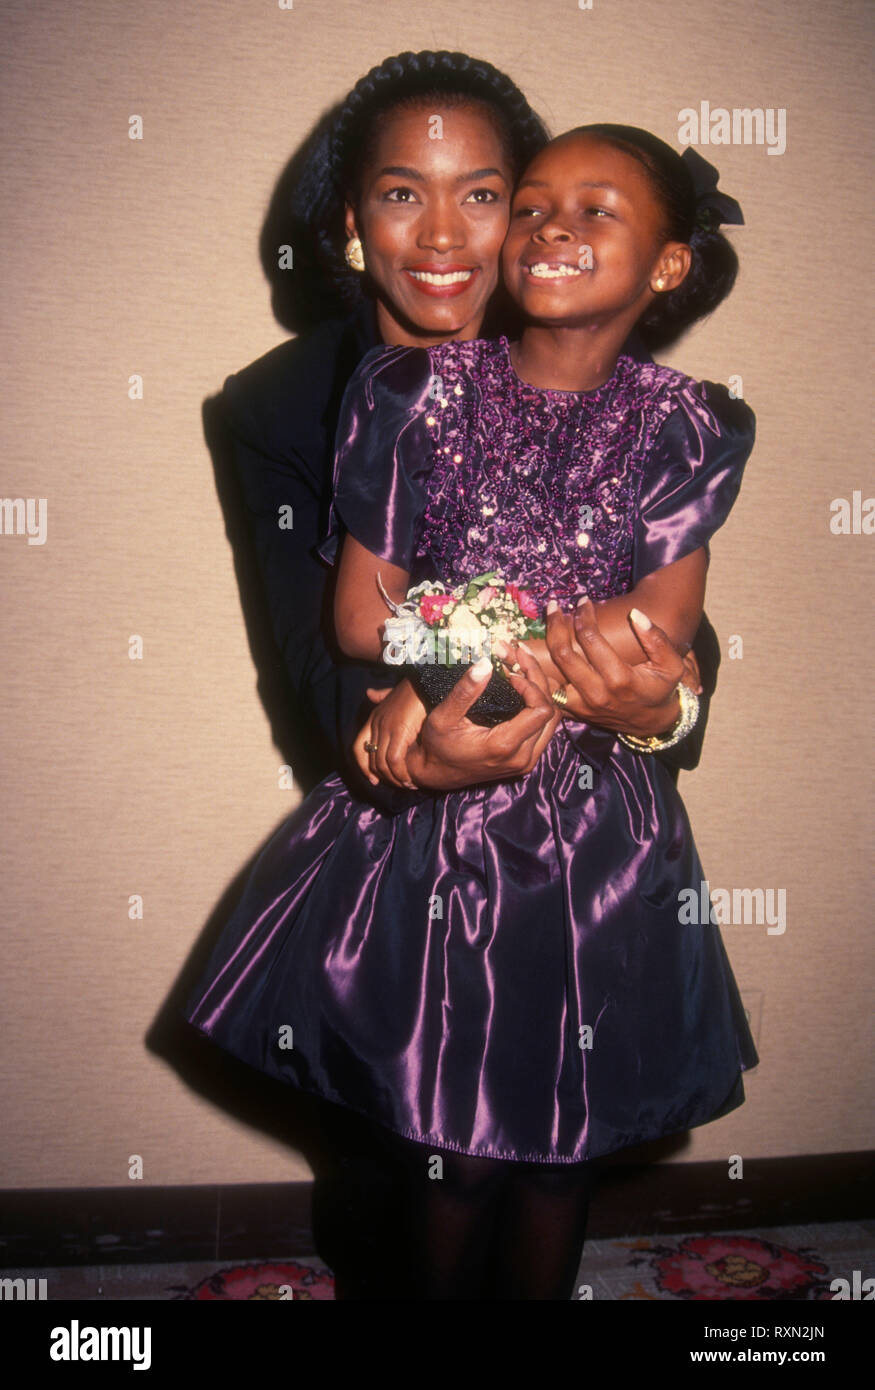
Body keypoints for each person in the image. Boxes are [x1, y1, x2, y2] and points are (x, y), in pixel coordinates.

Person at [186, 117, 759, 1300]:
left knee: (557, 1157)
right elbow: (355, 622)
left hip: (601, 840)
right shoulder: (402, 395)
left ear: (665, 264)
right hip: (441, 839)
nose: (541, 229)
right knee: (448, 1154)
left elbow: (663, 642)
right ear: (349, 222)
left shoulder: (683, 419)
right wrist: (487, 650)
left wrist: (635, 690)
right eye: (537, 207)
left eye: (568, 207)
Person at [222, 50, 718, 821]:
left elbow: (673, 633)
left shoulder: (581, 355)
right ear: (354, 221)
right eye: (400, 194)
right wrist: (427, 740)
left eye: (482, 195)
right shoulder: (275, 406)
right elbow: (323, 675)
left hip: (594, 822)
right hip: (404, 823)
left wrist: (663, 716)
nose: (443, 236)